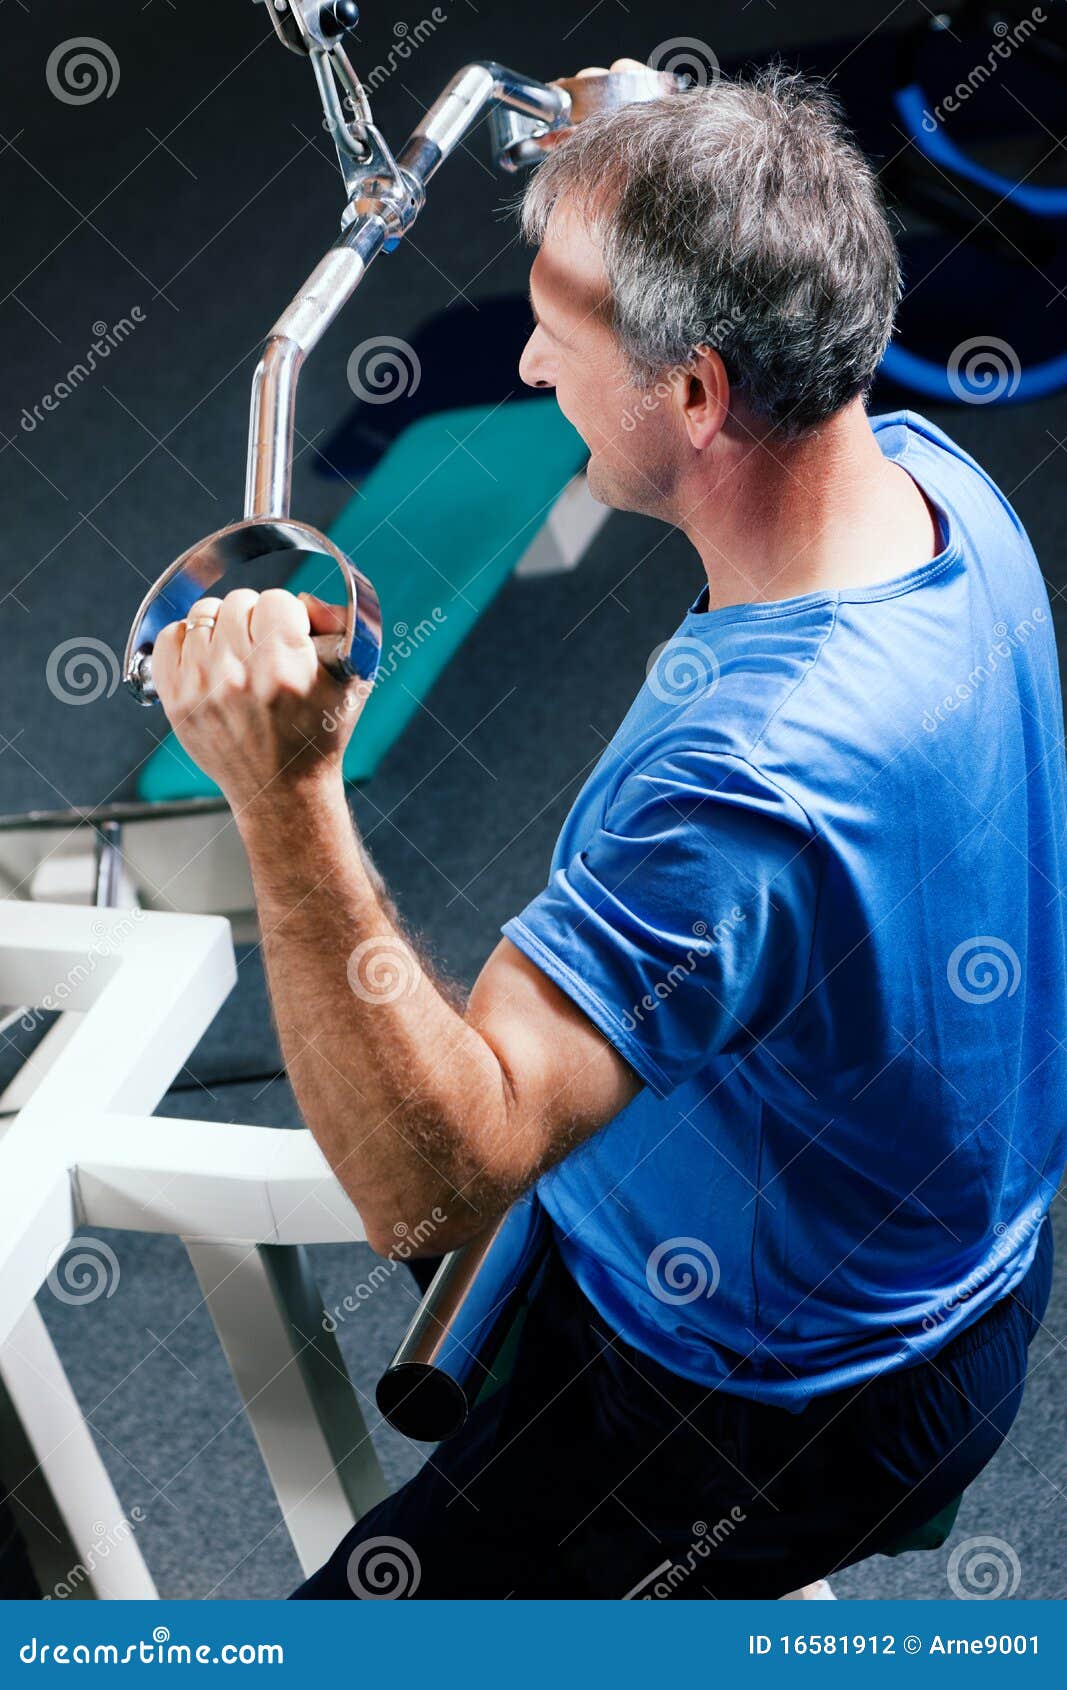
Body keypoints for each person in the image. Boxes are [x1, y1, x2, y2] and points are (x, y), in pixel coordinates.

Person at [152, 64, 1064, 1598]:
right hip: (941, 1272)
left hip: (758, 1411)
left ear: (697, 395)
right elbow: (766, 235)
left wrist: (288, 793)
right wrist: (672, 158)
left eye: (556, 337)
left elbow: (438, 1186)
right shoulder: (933, 488)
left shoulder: (740, 791)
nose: (525, 361)